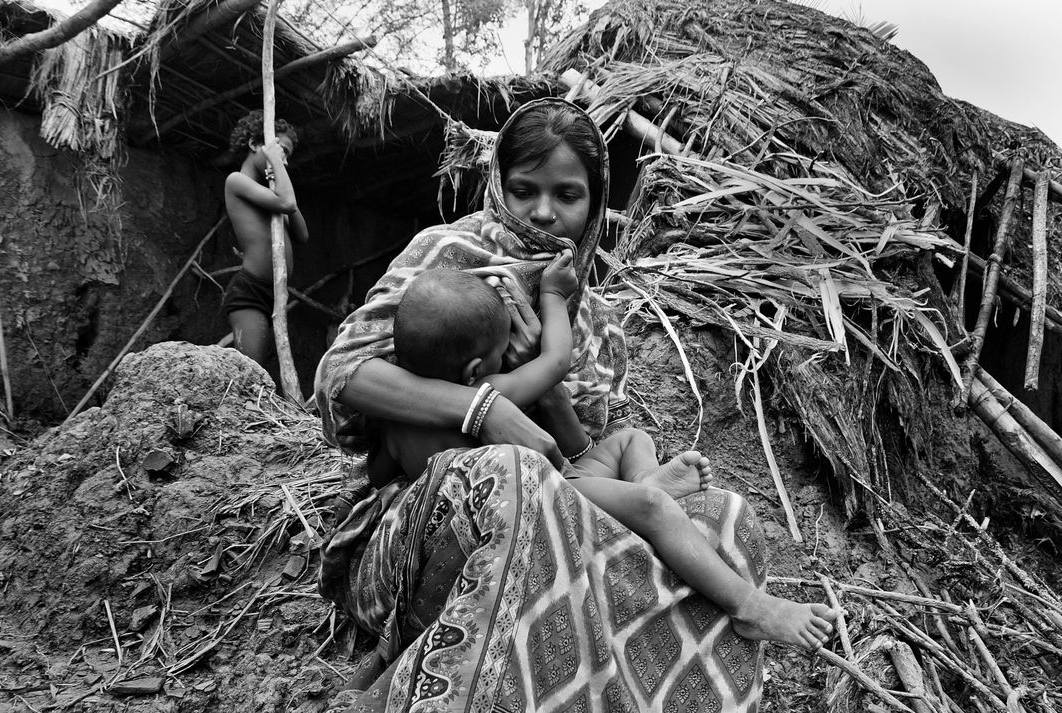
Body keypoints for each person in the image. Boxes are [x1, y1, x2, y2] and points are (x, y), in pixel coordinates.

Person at [315, 98, 828, 712]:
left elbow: (577, 459)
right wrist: (486, 408)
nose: (543, 213)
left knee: (725, 520)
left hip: (553, 503)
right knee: (518, 476)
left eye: (567, 195)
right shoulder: (447, 259)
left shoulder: (596, 323)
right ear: (497, 186)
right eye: (523, 189)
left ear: (594, 203)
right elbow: (341, 376)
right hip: (419, 543)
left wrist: (544, 380)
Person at [390, 263, 837, 652]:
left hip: (555, 481)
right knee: (654, 508)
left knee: (630, 439)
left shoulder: (394, 419)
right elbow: (556, 361)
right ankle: (749, 606)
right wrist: (551, 294)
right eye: (500, 354)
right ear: (474, 370)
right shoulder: (484, 393)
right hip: (548, 497)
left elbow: (382, 471)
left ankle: (642, 481)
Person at [223, 110, 309, 372]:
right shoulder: (237, 181)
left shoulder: (272, 196)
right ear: (254, 145)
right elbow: (288, 202)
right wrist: (274, 159)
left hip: (273, 295)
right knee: (252, 372)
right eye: (280, 149)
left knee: (261, 369)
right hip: (250, 292)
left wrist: (278, 174)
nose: (284, 159)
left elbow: (302, 234)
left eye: (287, 156)